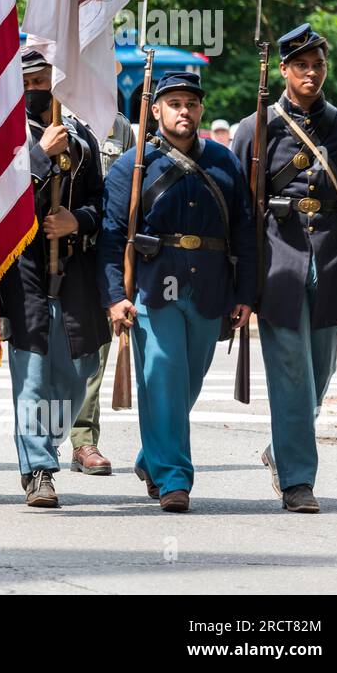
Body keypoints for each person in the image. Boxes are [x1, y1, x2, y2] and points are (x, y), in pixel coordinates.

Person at [99, 70, 255, 512]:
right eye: (174, 103)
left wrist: (245, 292)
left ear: (201, 109)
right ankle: (174, 479)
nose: (183, 111)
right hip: (153, 285)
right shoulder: (132, 167)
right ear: (155, 110)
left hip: (210, 287)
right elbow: (112, 239)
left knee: (188, 383)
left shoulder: (225, 163)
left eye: (190, 103)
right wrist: (115, 295)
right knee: (163, 378)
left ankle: (152, 457)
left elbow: (243, 232)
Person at [231, 23, 337, 512]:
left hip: (330, 259)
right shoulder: (255, 127)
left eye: (319, 65)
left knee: (321, 369)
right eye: (302, 66)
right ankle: (297, 481)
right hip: (278, 262)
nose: (312, 73)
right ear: (284, 70)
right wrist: (242, 278)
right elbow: (242, 211)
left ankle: (282, 449)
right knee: (291, 372)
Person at [0, 50, 108, 508]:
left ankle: (48, 438)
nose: (37, 87)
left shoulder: (81, 134)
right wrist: (40, 157)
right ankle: (38, 468)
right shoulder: (2, 133)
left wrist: (75, 221)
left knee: (78, 369)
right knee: (32, 372)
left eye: (44, 78)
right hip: (24, 265)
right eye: (28, 80)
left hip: (74, 265)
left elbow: (103, 203)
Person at [68, 108, 135, 475]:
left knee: (95, 350)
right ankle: (36, 441)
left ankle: (83, 439)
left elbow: (132, 188)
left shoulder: (119, 124)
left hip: (102, 248)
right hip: (56, 245)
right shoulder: (49, 112)